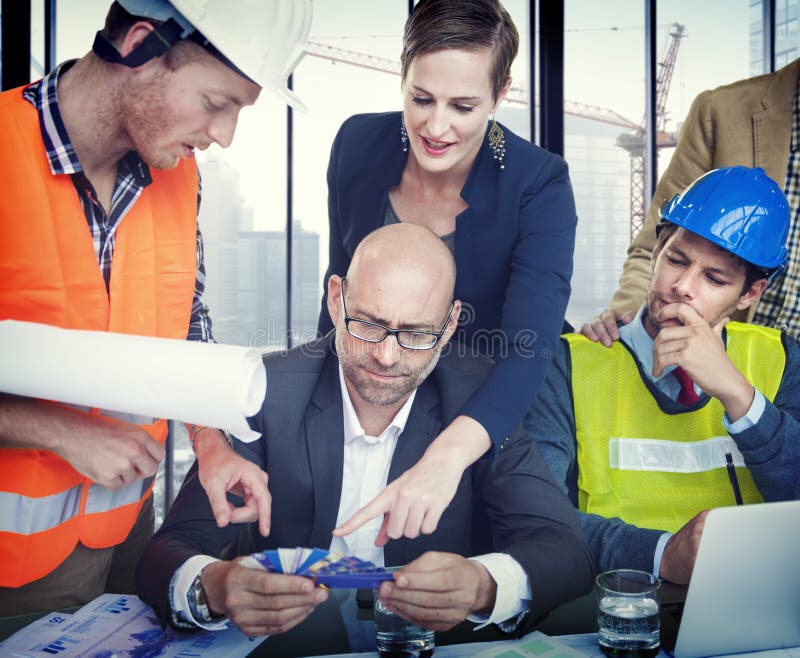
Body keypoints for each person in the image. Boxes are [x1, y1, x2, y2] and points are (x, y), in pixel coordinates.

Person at [136, 223, 593, 644]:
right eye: (369, 326)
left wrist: (481, 584)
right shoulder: (267, 392)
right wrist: (215, 587)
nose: (389, 357)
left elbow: (564, 550)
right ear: (337, 300)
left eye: (416, 334)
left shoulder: (480, 399)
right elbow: (168, 551)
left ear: (450, 323)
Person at [0, 0, 311, 613]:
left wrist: (212, 444)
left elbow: (185, 324)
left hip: (129, 528)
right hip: (16, 562)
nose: (223, 136)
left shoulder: (176, 173)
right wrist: (59, 431)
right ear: (141, 47)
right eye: (217, 104)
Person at [319, 0, 578, 547]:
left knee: (496, 558)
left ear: (501, 94)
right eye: (421, 98)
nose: (436, 127)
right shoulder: (355, 145)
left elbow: (528, 346)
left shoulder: (539, 181)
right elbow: (341, 296)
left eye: (463, 106)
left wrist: (447, 459)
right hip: (385, 381)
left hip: (498, 394)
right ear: (403, 75)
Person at [532, 167, 800, 584]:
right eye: (676, 259)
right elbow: (537, 517)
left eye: (714, 278)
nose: (682, 287)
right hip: (613, 602)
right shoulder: (569, 362)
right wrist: (661, 555)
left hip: (750, 596)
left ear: (750, 294)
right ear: (656, 249)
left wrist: (740, 397)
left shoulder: (779, 358)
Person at [582, 57, 800, 346]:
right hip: (710, 355)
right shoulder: (721, 112)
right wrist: (622, 320)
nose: (684, 285)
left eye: (715, 278)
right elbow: (657, 244)